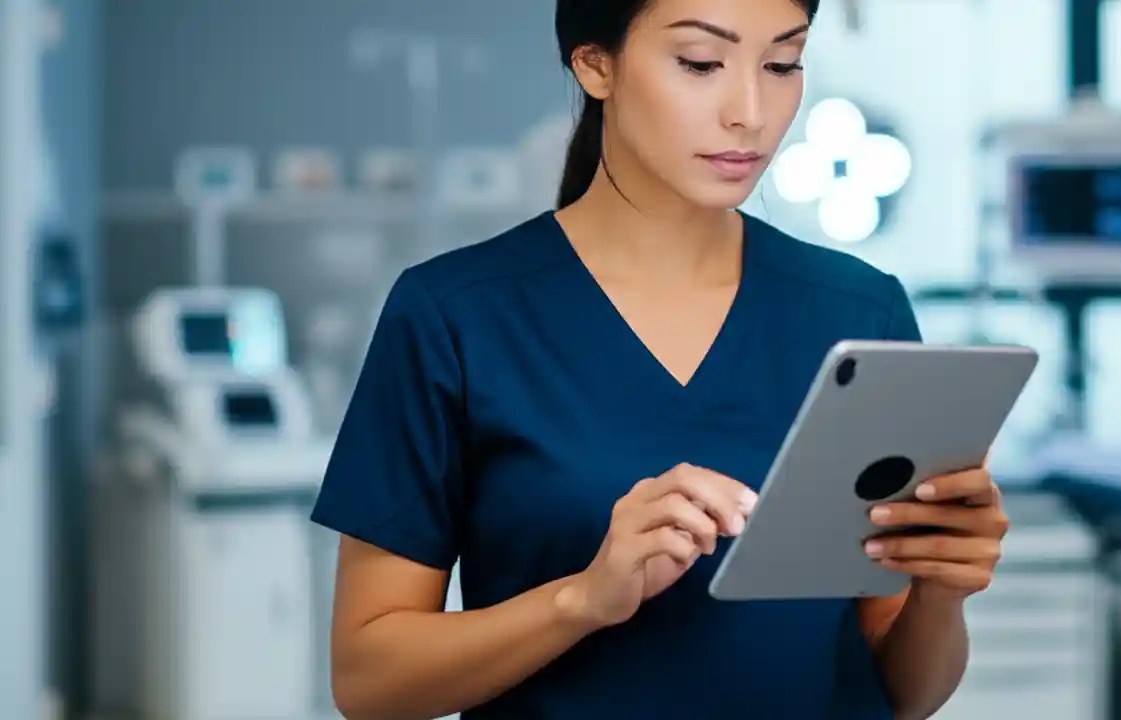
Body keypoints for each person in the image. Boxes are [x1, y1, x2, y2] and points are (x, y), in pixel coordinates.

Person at [310, 0, 1010, 717]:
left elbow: (902, 695)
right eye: (701, 64)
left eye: (781, 65)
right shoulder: (455, 315)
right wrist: (582, 599)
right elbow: (370, 682)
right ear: (596, 66)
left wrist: (941, 591)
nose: (750, 113)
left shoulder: (861, 313)